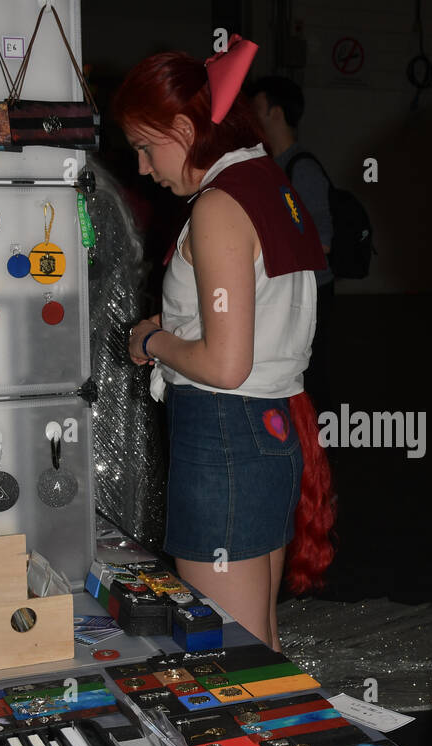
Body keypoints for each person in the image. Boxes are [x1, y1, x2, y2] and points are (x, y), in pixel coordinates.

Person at [113, 38, 335, 652]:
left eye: (145, 147)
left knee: (230, 654)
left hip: (224, 430)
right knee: (258, 643)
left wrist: (155, 339)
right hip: (266, 428)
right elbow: (253, 313)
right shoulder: (267, 182)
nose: (143, 167)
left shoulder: (218, 205)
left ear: (184, 129)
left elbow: (227, 364)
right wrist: (176, 324)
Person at [246, 75, 337, 412]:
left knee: (311, 377)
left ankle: (322, 439)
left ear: (276, 113)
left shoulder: (302, 168)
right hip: (287, 292)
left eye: (256, 108)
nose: (250, 116)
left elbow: (323, 242)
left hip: (313, 292)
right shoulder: (271, 167)